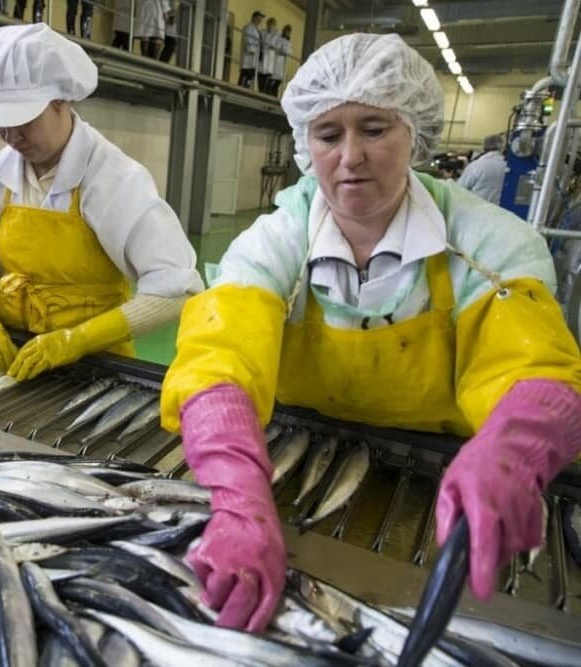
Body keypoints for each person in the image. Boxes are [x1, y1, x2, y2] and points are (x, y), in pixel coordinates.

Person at [161, 33, 581, 633]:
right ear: (307, 144)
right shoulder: (279, 239)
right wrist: (235, 492)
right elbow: (218, 357)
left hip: (449, 481)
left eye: (375, 129)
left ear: (415, 132)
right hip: (302, 457)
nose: (350, 156)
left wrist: (515, 450)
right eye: (329, 134)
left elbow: (534, 368)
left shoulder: (488, 241)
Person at [0, 24, 203, 381]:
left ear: (61, 100)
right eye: (0, 124)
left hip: (95, 365)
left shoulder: (113, 178)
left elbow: (176, 287)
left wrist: (77, 340)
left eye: (22, 120)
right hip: (15, 352)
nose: (10, 137)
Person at [458, 134, 508, 205]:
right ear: (502, 147)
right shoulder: (506, 166)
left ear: (484, 146)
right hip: (499, 211)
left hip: (476, 208)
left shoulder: (476, 165)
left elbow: (459, 188)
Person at [265, 24, 292, 96]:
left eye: (289, 32)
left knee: (278, 82)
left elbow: (289, 51)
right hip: (277, 62)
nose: (288, 33)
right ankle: (268, 93)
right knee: (273, 79)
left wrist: (284, 51)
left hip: (282, 63)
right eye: (287, 31)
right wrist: (282, 51)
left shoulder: (288, 42)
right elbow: (276, 47)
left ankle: (274, 95)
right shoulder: (279, 39)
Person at [239, 11, 264, 89]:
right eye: (258, 18)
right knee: (246, 73)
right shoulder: (249, 27)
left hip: (253, 57)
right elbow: (248, 39)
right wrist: (252, 50)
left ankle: (245, 88)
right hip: (249, 55)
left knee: (250, 74)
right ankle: (241, 88)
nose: (260, 20)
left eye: (261, 19)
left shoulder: (255, 29)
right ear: (253, 17)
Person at [257, 17, 279, 94]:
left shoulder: (277, 35)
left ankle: (264, 95)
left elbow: (277, 46)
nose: (270, 26)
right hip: (262, 59)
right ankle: (260, 94)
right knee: (260, 79)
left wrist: (270, 46)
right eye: (269, 24)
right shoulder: (262, 32)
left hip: (270, 61)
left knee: (267, 81)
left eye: (272, 25)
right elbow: (260, 42)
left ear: (274, 26)